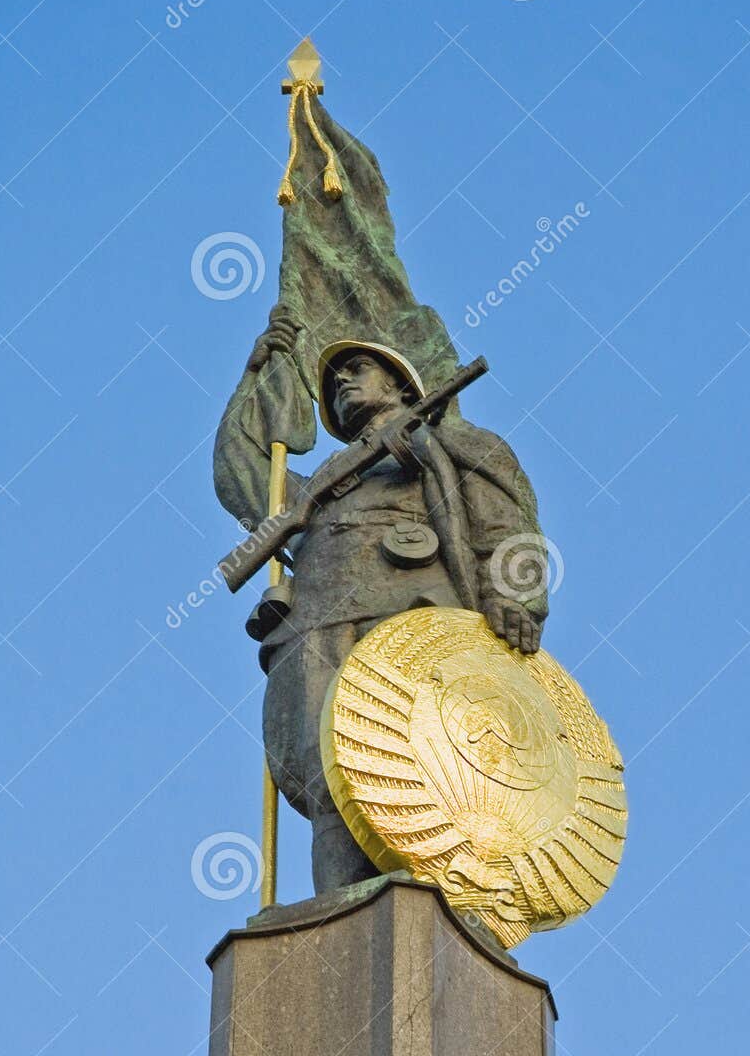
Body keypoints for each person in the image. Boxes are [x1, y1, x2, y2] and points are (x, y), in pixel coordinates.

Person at [213, 307, 550, 892]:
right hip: (316, 623)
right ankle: (340, 905)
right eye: (333, 378)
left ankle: (439, 901)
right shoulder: (326, 480)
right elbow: (243, 476)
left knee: (420, 765)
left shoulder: (456, 444)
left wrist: (513, 598)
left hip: (410, 613)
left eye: (359, 368)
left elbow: (505, 523)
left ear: (400, 384)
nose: (342, 380)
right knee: (327, 777)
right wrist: (256, 377)